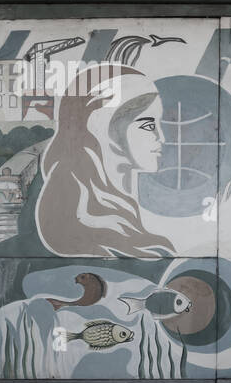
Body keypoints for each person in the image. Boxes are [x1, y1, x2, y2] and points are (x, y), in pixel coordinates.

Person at [36, 64, 175, 258]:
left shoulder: (125, 213)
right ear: (101, 125)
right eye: (148, 125)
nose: (162, 137)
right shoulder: (83, 221)